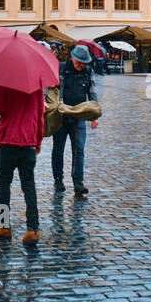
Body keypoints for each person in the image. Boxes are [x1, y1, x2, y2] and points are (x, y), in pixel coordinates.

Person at [0, 83, 44, 244]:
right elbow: (40, 113)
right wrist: (37, 141)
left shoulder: (2, 80)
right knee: (29, 185)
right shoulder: (36, 83)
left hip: (7, 140)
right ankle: (33, 229)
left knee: (4, 183)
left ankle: (4, 225)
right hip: (28, 141)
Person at [53, 44, 98, 197]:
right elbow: (50, 88)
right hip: (61, 115)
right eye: (79, 62)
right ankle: (58, 180)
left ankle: (78, 183)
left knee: (79, 150)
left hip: (79, 116)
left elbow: (92, 93)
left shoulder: (89, 71)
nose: (81, 65)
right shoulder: (61, 69)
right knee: (58, 149)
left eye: (84, 62)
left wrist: (94, 115)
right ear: (72, 57)